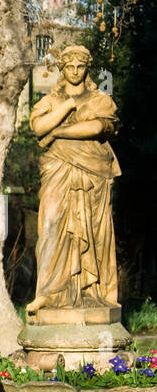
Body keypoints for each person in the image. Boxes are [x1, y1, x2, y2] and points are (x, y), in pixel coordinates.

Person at [26, 44, 122, 316]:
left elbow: (97, 127)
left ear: (87, 68)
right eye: (70, 67)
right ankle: (48, 293)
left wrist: (57, 132)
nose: (76, 72)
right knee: (51, 224)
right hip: (58, 169)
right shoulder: (52, 100)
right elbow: (38, 127)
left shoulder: (101, 99)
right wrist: (67, 105)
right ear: (62, 69)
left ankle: (94, 293)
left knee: (94, 231)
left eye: (81, 66)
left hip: (93, 172)